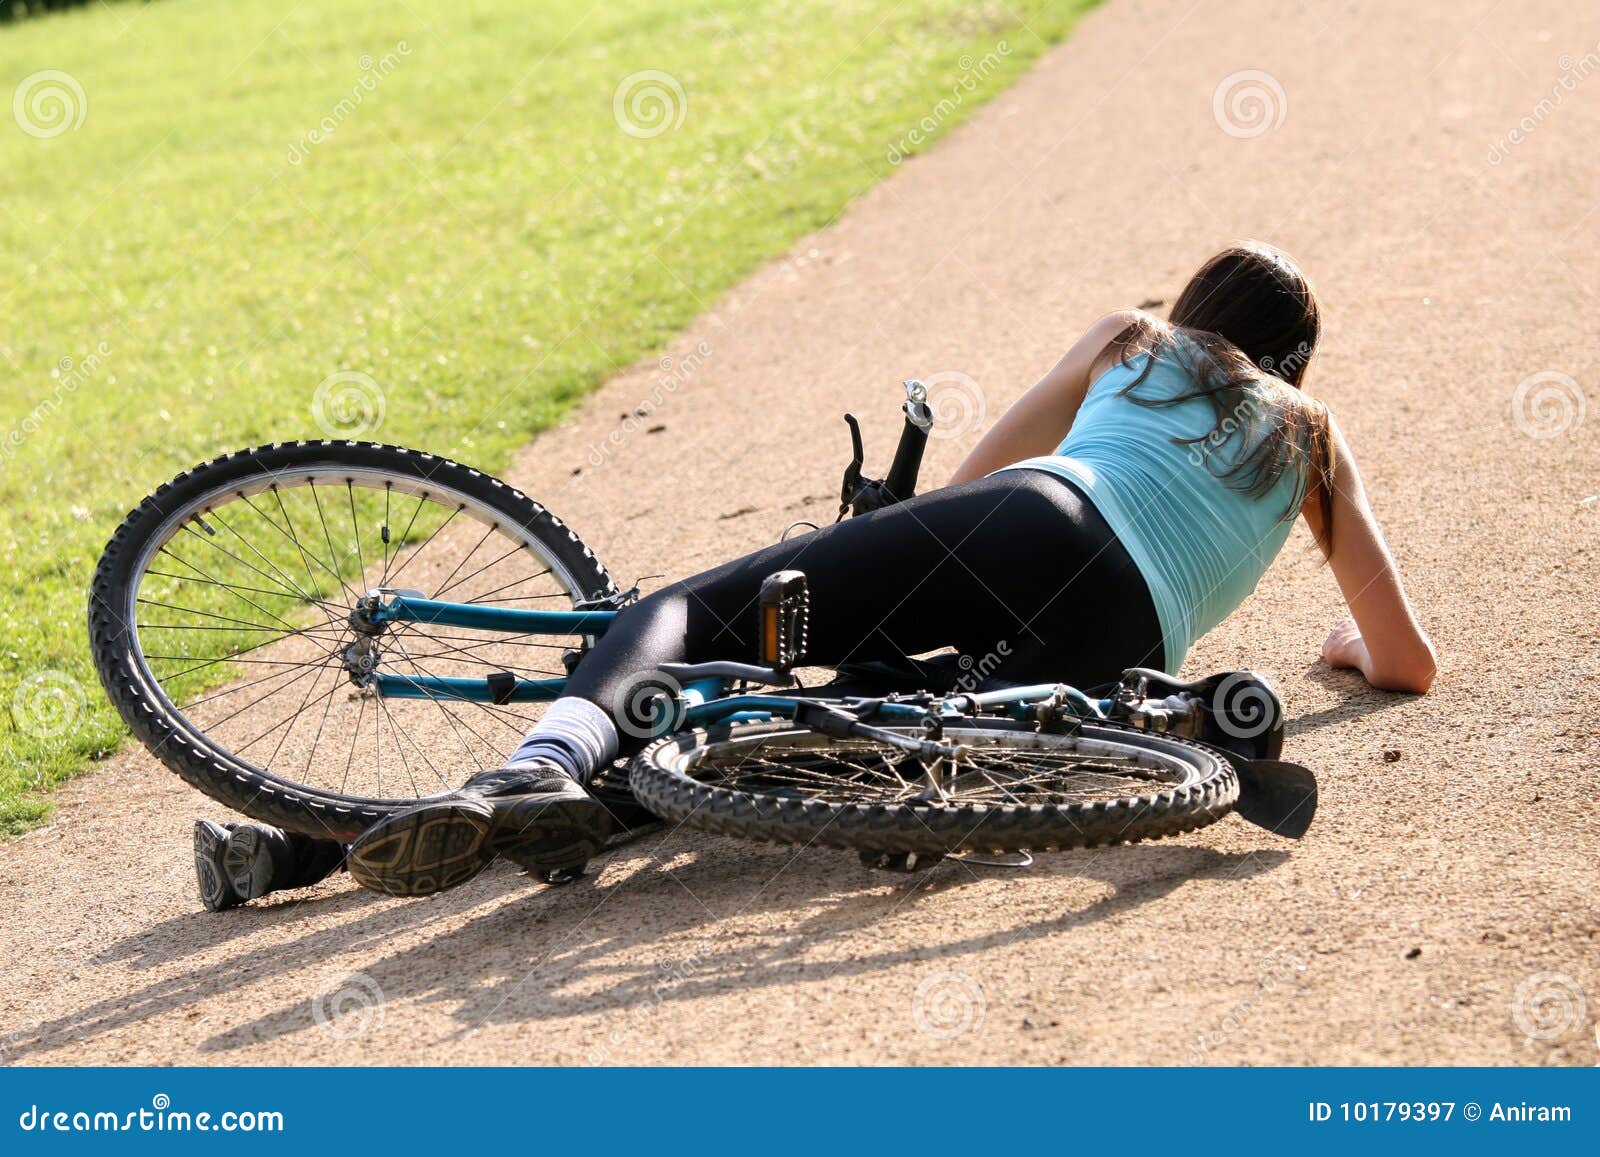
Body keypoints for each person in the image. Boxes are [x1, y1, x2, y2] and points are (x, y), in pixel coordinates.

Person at [198, 242, 1436, 908]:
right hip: (1124, 645)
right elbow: (1406, 660)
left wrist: (875, 548)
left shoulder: (1138, 334)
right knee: (805, 744)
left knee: (687, 615)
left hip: (1035, 518)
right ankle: (337, 848)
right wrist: (1344, 648)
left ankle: (526, 770)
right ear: (1297, 359)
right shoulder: (1313, 438)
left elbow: (970, 480)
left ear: (1200, 305)